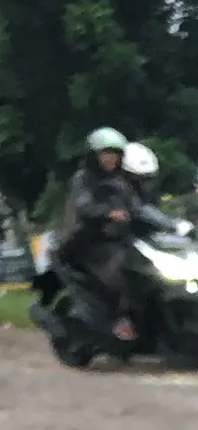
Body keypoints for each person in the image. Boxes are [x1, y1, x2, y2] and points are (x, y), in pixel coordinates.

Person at [60, 128, 141, 340]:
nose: (111, 158)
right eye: (106, 153)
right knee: (119, 270)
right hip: (87, 242)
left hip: (117, 240)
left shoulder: (121, 182)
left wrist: (169, 223)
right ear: (94, 155)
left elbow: (137, 207)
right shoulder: (83, 179)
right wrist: (108, 213)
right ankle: (118, 319)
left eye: (115, 153)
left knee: (144, 267)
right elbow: (83, 205)